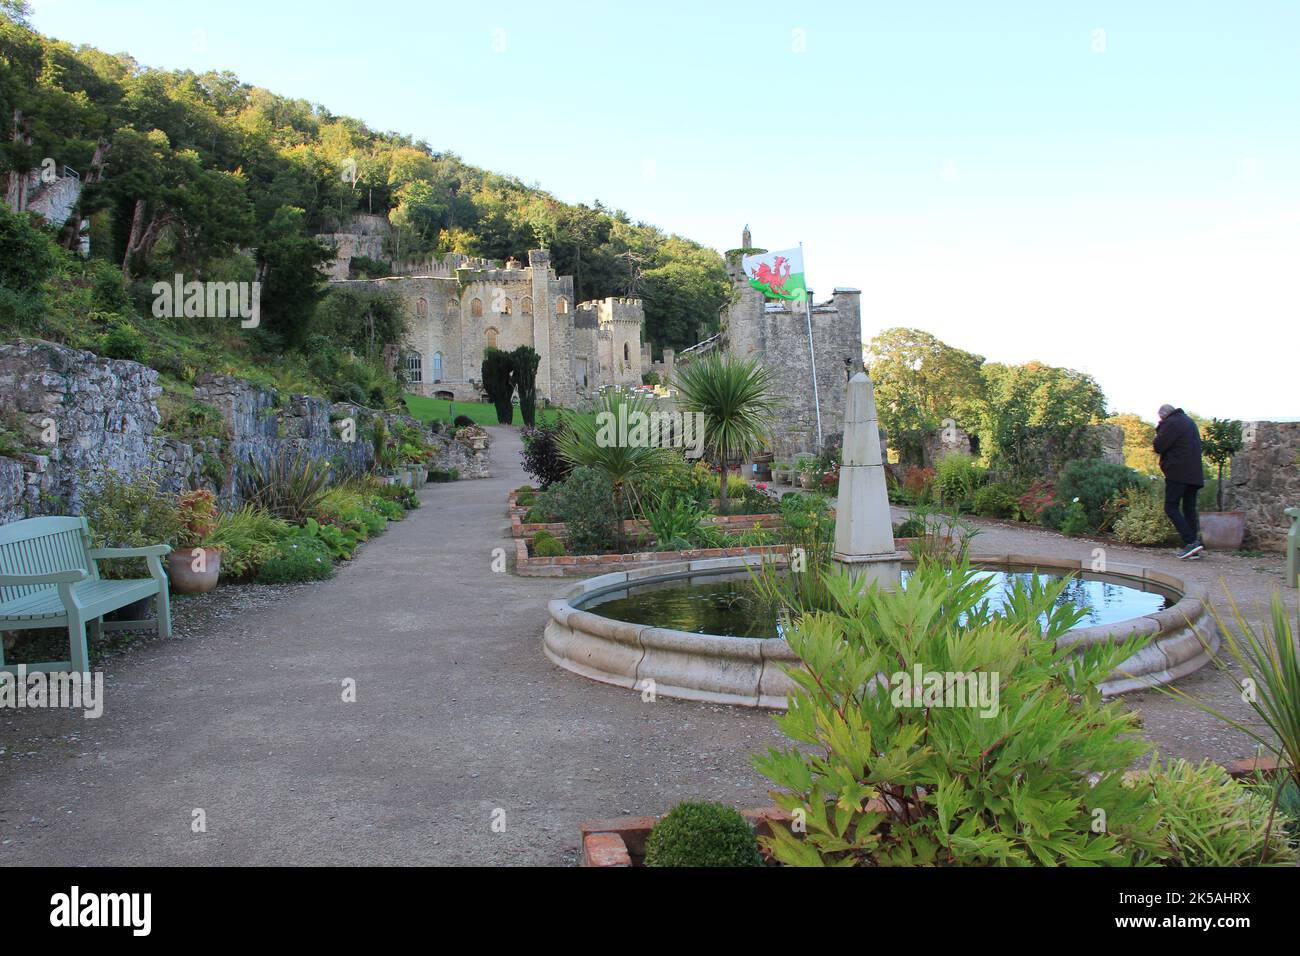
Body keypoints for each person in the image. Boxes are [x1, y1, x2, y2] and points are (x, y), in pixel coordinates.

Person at [1153, 404, 1205, 559]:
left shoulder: (1171, 423)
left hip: (1178, 471)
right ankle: (1193, 547)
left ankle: (1190, 542)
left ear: (1163, 415)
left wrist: (1160, 427)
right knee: (1189, 508)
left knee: (1170, 506)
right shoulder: (1188, 421)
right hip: (1194, 473)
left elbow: (1159, 446)